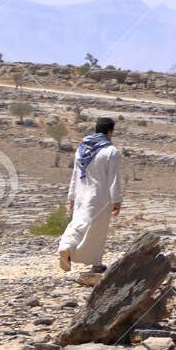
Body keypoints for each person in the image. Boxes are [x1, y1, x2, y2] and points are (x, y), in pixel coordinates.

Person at [57, 117, 124, 275]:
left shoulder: (82, 148)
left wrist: (71, 197)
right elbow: (113, 178)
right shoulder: (111, 151)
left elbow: (75, 175)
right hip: (100, 197)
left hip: (81, 194)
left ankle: (65, 246)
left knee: (77, 224)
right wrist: (117, 201)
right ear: (110, 131)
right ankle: (96, 264)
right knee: (97, 231)